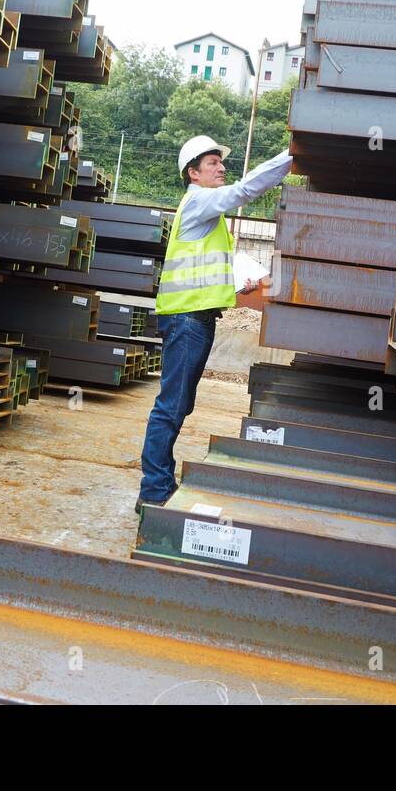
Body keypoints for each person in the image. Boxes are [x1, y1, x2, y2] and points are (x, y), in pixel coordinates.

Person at [135, 134, 292, 513]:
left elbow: (206, 269)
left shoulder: (207, 216)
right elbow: (245, 190)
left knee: (177, 404)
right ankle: (154, 491)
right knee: (171, 406)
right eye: (212, 163)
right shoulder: (199, 201)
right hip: (188, 319)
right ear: (193, 173)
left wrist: (242, 283)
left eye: (221, 163)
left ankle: (158, 485)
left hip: (193, 317)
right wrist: (291, 156)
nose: (221, 167)